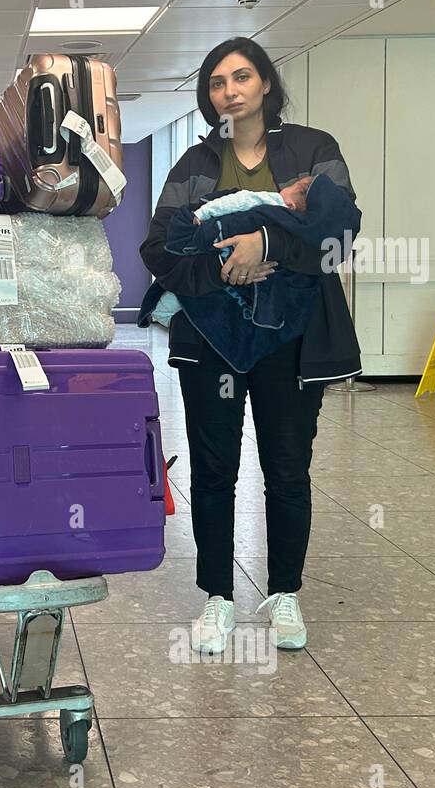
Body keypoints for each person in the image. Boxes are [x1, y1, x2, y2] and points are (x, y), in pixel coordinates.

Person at [139, 36, 363, 655]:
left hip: (293, 342)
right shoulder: (193, 165)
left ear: (265, 83)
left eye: (241, 77)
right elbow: (159, 248)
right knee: (213, 471)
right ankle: (217, 597)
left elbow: (340, 237)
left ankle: (285, 594)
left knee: (288, 470)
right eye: (216, 83)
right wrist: (224, 268)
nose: (229, 91)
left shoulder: (314, 150)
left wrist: (265, 245)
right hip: (212, 337)